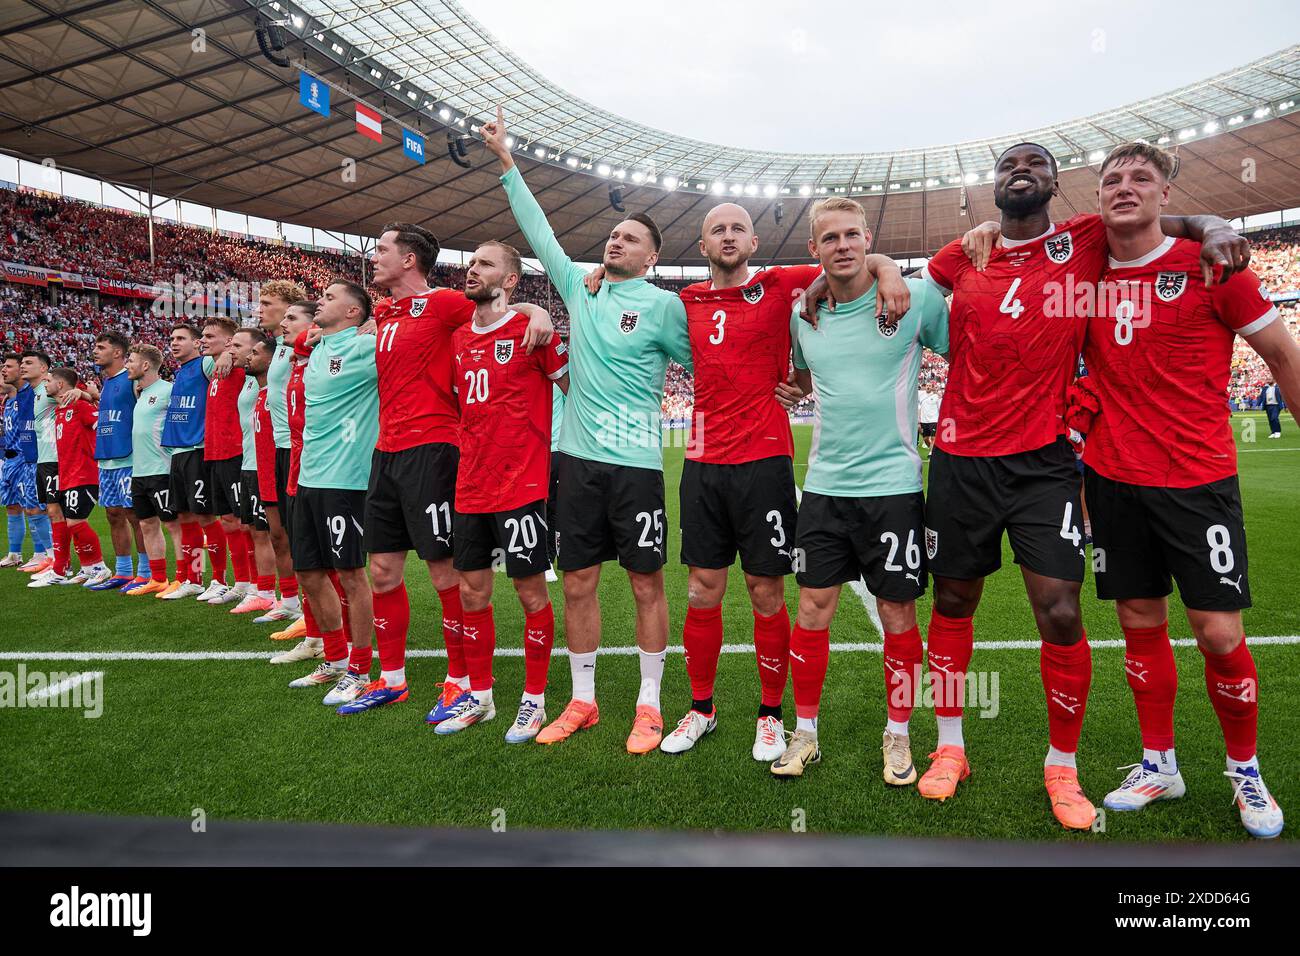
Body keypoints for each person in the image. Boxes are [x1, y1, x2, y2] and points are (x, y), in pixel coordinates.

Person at [909, 142, 1250, 829]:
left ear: (1056, 183)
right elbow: (905, 289)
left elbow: (1163, 222)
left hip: (1043, 461)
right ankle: (950, 747)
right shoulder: (961, 256)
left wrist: (1212, 225)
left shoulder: (1086, 238)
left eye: (1034, 163)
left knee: (1061, 612)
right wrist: (877, 271)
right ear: (994, 186)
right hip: (960, 457)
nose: (1020, 170)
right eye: (1007, 165)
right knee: (951, 599)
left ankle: (1061, 764)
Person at [585, 201, 907, 760]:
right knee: (701, 591)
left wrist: (890, 270)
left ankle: (770, 715)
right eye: (717, 230)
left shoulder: (782, 285)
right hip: (704, 462)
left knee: (765, 591)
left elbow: (852, 259)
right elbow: (617, 296)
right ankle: (702, 708)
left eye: (738, 228)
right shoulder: (681, 302)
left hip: (765, 464)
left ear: (754, 243)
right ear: (703, 246)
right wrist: (599, 276)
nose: (728, 236)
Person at [1078, 140, 1298, 839]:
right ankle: (1159, 762)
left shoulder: (1212, 266)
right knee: (1139, 624)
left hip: (1197, 482)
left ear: (1166, 196)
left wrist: (1215, 227)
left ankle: (1245, 769)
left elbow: (1283, 355)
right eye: (1112, 178)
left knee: (1218, 630)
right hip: (1111, 482)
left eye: (1141, 177)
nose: (1124, 186)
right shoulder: (1081, 271)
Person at [483, 106, 691, 753]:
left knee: (646, 583)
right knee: (576, 581)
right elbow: (539, 235)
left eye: (629, 238)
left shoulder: (664, 306)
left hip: (636, 466)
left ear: (652, 256)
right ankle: (583, 700)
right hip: (572, 461)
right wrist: (507, 164)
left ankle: (650, 705)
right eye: (613, 235)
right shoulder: (582, 287)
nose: (615, 242)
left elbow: (712, 366)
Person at [345, 221, 551, 718]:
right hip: (385, 453)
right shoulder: (388, 310)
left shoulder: (441, 304)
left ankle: (461, 680)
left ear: (410, 259)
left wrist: (536, 307)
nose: (374, 257)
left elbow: (495, 313)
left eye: (382, 250)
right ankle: (392, 678)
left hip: (433, 452)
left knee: (446, 573)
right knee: (382, 568)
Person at [772, 198, 948, 778]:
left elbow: (967, 354)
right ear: (814, 250)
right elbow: (799, 378)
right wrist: (793, 392)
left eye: (853, 235)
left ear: (868, 238)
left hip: (894, 488)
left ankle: (897, 736)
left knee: (898, 613)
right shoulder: (806, 315)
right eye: (831, 238)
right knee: (812, 610)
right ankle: (805, 733)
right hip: (824, 488)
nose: (843, 246)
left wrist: (893, 269)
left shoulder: (913, 297)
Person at [436, 241, 567, 740]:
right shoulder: (456, 340)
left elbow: (573, 387)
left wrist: (539, 312)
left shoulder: (531, 331)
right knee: (472, 592)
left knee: (531, 593)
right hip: (470, 486)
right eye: (471, 263)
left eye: (485, 264)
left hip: (523, 486)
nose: (472, 270)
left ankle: (533, 701)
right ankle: (481, 697)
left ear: (511, 280)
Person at [292, 281, 380, 711]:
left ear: (353, 312)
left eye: (329, 296)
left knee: (350, 574)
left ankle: (360, 670)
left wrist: (380, 322)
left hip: (346, 480)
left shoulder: (369, 344)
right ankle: (333, 657)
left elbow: (423, 329)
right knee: (309, 573)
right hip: (308, 477)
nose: (319, 300)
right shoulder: (315, 348)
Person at [252, 280, 307, 625]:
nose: (261, 309)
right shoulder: (281, 347)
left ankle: (310, 610)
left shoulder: (303, 343)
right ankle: (293, 602)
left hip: (299, 446)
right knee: (282, 532)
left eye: (268, 303)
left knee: (301, 535)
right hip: (279, 447)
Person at [30, 367, 109, 587]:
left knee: (75, 522)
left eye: (48, 380)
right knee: (72, 522)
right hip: (67, 474)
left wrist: (88, 396)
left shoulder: (81, 406)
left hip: (83, 474)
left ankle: (100, 567)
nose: (45, 384)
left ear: (61, 384)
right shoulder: (59, 411)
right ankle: (87, 567)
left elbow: (103, 424)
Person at [159, 324, 216, 600]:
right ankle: (194, 579)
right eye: (171, 338)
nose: (174, 342)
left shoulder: (205, 363)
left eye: (181, 338)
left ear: (197, 344)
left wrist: (224, 355)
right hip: (178, 452)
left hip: (198, 448)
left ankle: (220, 579)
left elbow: (225, 361)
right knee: (183, 516)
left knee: (205, 516)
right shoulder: (180, 372)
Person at [88, 330, 147, 591]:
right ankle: (123, 572)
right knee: (113, 514)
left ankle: (145, 573)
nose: (95, 351)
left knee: (136, 515)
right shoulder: (108, 382)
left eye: (101, 347)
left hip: (130, 457)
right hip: (106, 457)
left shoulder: (133, 380)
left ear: (118, 353)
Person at [226, 328, 279, 616]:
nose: (232, 350)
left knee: (272, 533)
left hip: (266, 463)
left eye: (238, 345)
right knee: (255, 530)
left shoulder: (272, 379)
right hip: (249, 462)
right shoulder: (247, 379)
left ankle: (276, 594)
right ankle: (263, 590)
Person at [196, 318, 247, 605]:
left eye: (209, 336)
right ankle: (239, 581)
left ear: (229, 342)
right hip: (214, 452)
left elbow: (258, 343)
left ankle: (254, 585)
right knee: (227, 521)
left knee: (242, 522)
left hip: (234, 451)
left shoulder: (239, 365)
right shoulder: (214, 368)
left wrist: (231, 353)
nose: (202, 340)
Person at [124, 343, 179, 596]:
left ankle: (187, 577)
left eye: (131, 360)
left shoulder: (169, 390)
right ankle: (158, 578)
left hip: (162, 468)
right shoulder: (141, 392)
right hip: (140, 471)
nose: (127, 365)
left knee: (174, 525)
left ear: (145, 365)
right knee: (147, 524)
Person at [1, 353, 43, 568]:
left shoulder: (29, 394)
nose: (4, 370)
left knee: (32, 507)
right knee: (12, 506)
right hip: (8, 461)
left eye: (9, 366)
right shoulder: (8, 399)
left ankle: (40, 553)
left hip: (23, 459)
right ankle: (14, 553)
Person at [17, 350, 55, 573]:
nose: (23, 366)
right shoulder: (34, 391)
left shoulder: (49, 388)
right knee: (35, 509)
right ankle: (51, 557)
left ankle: (58, 560)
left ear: (43, 368)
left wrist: (84, 395)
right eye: (22, 362)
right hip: (36, 460)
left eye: (29, 363)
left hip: (51, 459)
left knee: (54, 511)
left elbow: (71, 394)